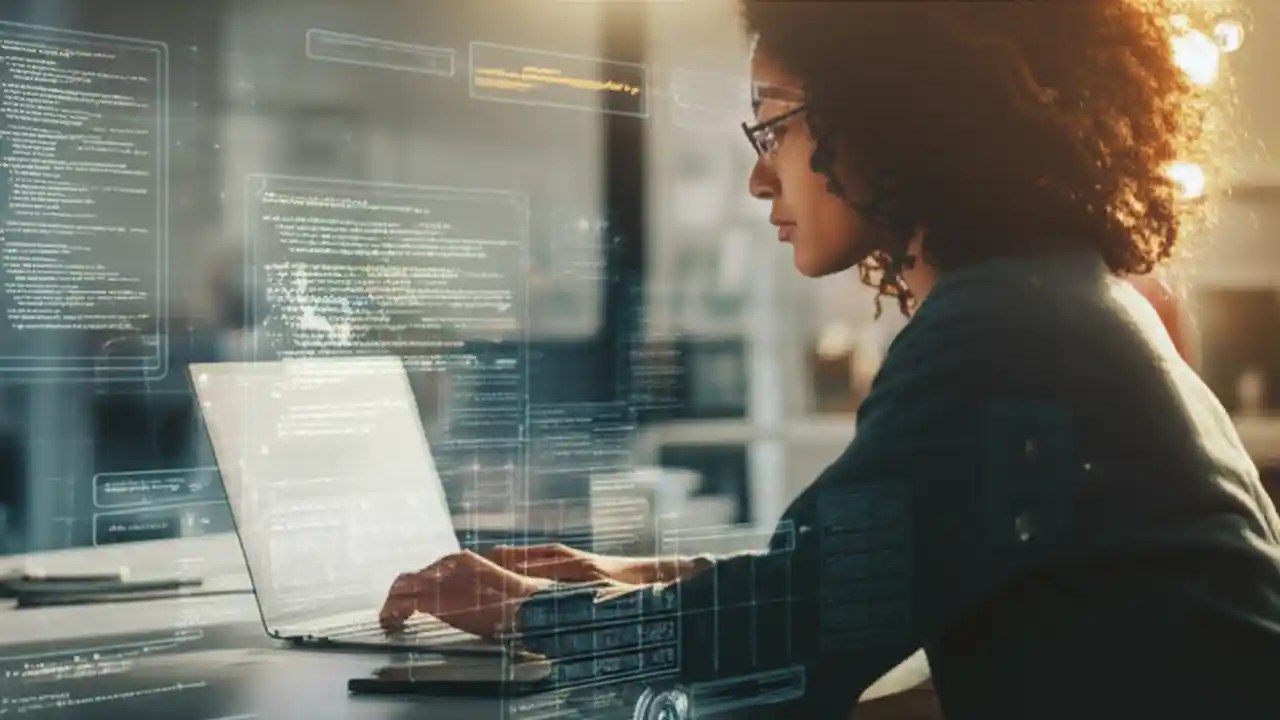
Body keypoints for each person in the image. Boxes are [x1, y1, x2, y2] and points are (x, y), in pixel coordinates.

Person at [381, 1, 1280, 717]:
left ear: (890, 117)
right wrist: (644, 576)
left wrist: (523, 613)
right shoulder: (1053, 301)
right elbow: (852, 586)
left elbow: (782, 647)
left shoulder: (1004, 333)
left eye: (775, 125)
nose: (759, 175)